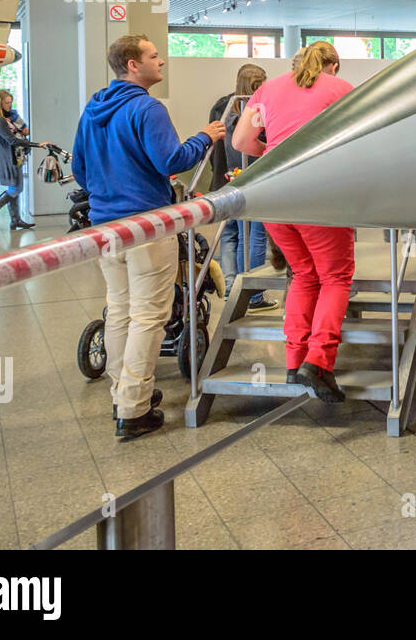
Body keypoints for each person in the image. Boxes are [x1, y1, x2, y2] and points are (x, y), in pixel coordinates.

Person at [73, 35, 225, 441]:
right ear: (132, 65)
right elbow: (171, 160)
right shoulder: (147, 108)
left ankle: (123, 393)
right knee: (148, 315)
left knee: (120, 311)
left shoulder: (92, 110)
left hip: (106, 228)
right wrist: (205, 137)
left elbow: (81, 171)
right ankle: (134, 408)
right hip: (146, 226)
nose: (162, 61)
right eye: (154, 56)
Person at [232, 41, 353, 402]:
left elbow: (241, 140)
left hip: (272, 193)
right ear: (334, 65)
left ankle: (293, 362)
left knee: (303, 274)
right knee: (335, 277)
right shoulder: (339, 88)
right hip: (319, 195)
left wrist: (273, 153)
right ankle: (318, 363)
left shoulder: (268, 89)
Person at [209, 63, 276, 310]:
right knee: (254, 237)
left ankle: (231, 288)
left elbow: (214, 144)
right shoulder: (258, 110)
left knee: (231, 235)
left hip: (226, 178)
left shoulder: (222, 107)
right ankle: (253, 295)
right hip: (254, 180)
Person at [0, 90, 47, 231]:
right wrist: (37, 144)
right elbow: (12, 140)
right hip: (8, 159)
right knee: (16, 188)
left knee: (14, 188)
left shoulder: (7, 118)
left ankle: (15, 220)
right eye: (6, 102)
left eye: (10, 102)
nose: (9, 105)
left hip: (16, 157)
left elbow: (21, 131)